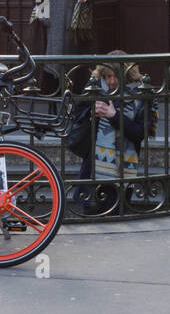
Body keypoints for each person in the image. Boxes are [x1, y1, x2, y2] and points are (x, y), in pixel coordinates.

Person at [66, 53, 155, 215]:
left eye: (116, 76)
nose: (112, 81)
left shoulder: (140, 93)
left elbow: (140, 132)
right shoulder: (95, 86)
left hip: (123, 167)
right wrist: (91, 112)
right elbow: (76, 114)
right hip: (93, 167)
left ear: (127, 76)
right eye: (108, 76)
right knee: (90, 212)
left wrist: (115, 116)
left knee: (117, 212)